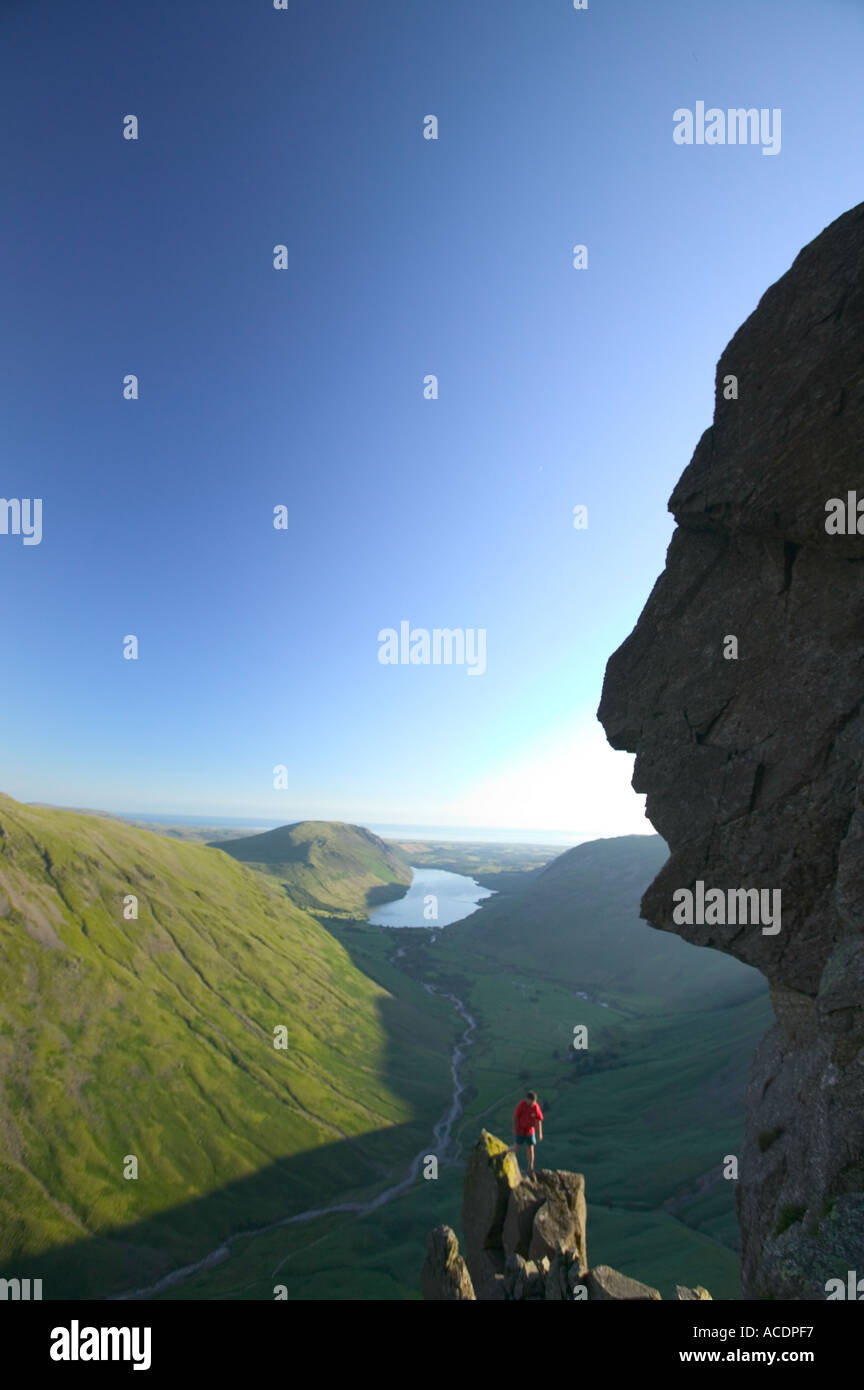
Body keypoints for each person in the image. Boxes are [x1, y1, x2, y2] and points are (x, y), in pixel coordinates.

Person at [508, 1090, 544, 1174]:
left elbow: (539, 1120)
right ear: (527, 1099)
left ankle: (530, 1167)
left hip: (530, 1130)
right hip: (520, 1129)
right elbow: (515, 1117)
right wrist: (514, 1128)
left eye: (534, 1102)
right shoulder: (521, 1105)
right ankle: (505, 1153)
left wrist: (540, 1133)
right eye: (531, 1102)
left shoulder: (535, 1107)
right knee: (516, 1148)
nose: (532, 1104)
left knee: (530, 1149)